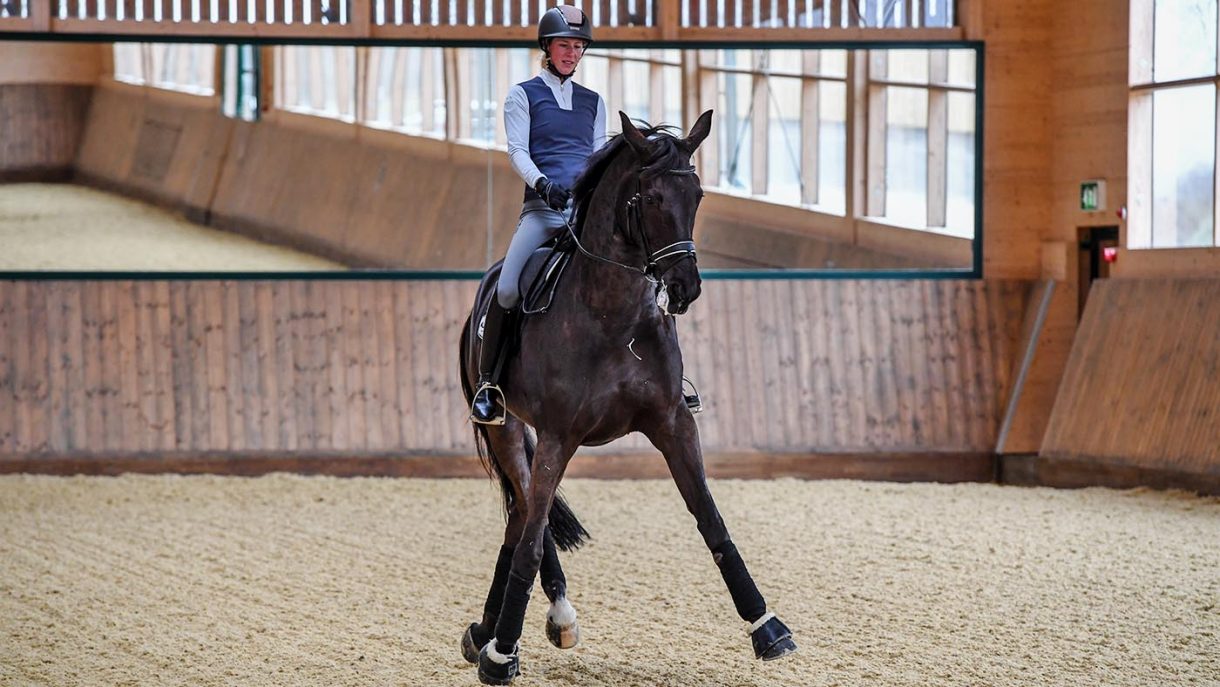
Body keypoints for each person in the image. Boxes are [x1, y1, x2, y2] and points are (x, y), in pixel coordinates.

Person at [470, 4, 608, 425]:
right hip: (542, 212)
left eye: (578, 46)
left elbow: (599, 155)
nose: (572, 53)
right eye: (565, 45)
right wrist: (544, 185)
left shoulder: (593, 102)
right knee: (508, 288)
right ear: (547, 48)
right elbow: (517, 152)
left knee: (637, 277)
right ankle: (489, 384)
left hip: (583, 216)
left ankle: (667, 380)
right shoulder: (522, 94)